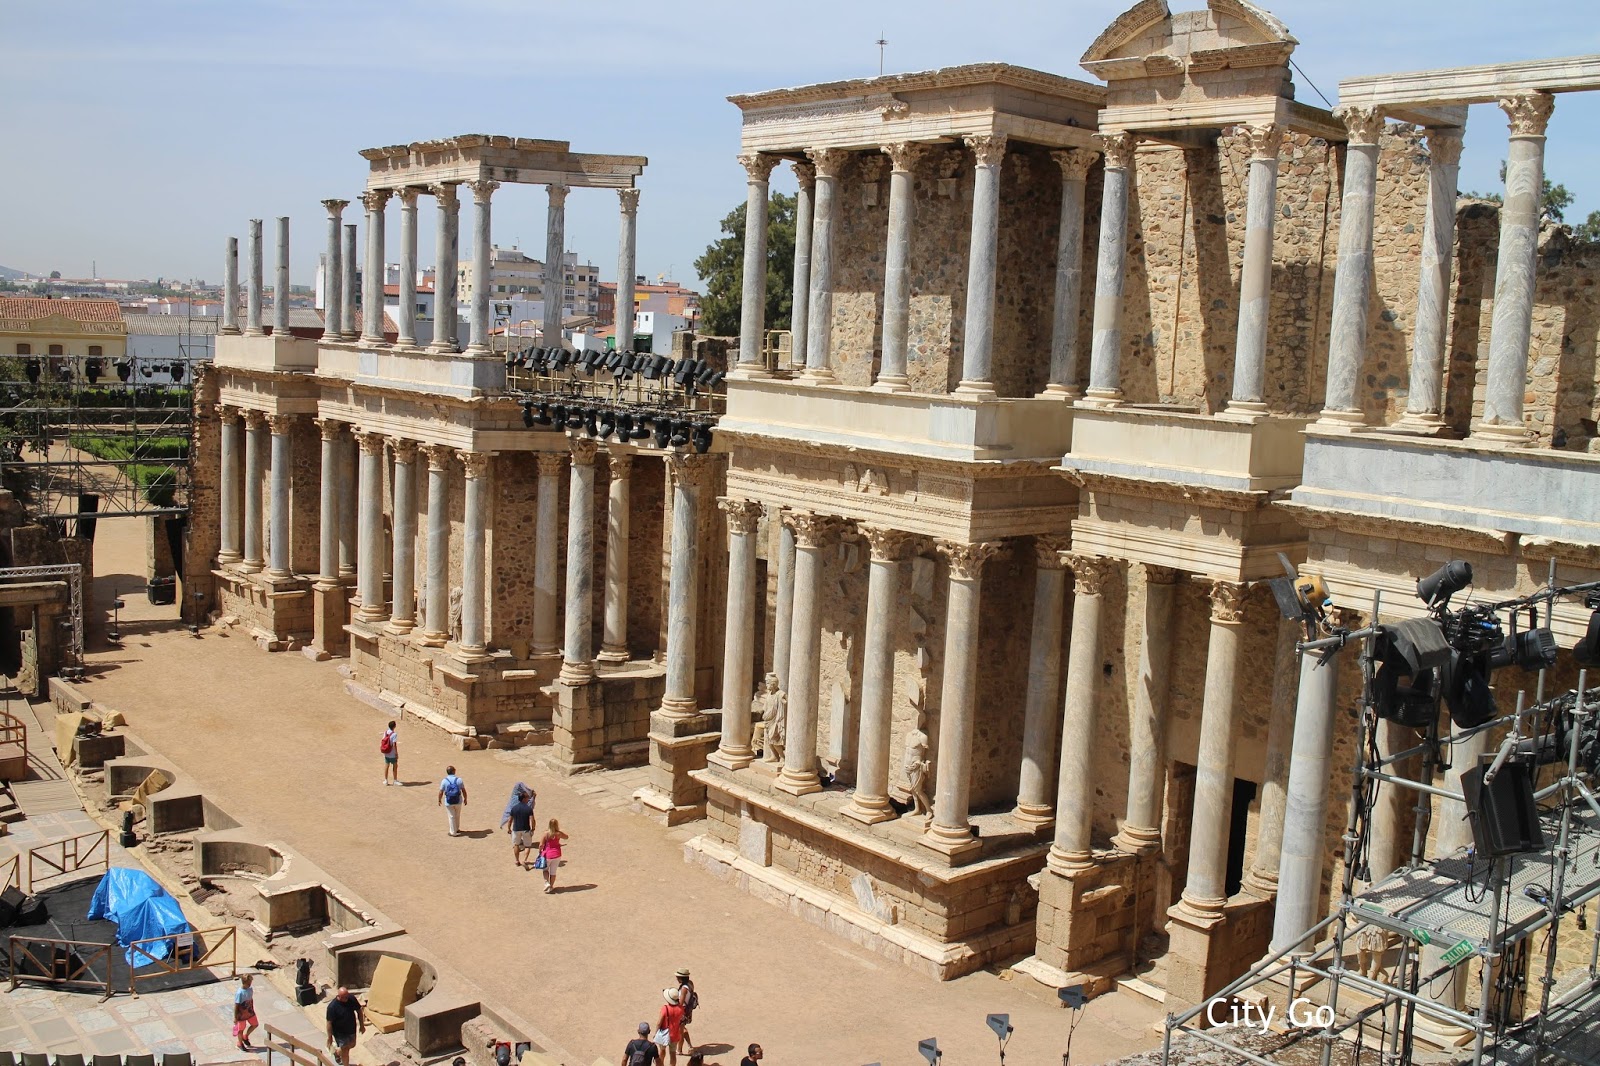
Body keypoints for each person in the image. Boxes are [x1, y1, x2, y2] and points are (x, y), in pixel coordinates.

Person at [325, 986, 366, 1066]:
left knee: (352, 1045)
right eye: (344, 997)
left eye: (347, 996)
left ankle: (337, 1052)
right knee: (345, 1051)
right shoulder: (332, 1007)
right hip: (340, 1033)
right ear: (339, 996)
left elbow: (359, 1011)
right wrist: (329, 1037)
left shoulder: (351, 999)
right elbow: (329, 1023)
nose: (347, 999)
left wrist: (362, 1025)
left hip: (351, 1029)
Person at [536, 818, 570, 893]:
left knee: (545, 870)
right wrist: (560, 832)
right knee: (553, 872)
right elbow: (566, 837)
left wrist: (539, 852)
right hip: (557, 854)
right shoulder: (559, 833)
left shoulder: (546, 834)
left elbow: (541, 845)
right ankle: (551, 887)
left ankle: (546, 883)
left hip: (548, 854)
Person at [656, 988, 686, 1066]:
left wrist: (656, 1032)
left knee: (662, 1051)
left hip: (664, 1034)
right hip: (675, 1034)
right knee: (673, 1053)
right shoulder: (680, 1009)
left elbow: (659, 1022)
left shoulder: (665, 1009)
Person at [507, 788, 535, 868]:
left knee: (516, 845)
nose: (528, 799)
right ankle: (525, 860)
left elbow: (510, 820)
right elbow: (532, 820)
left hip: (516, 829)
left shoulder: (514, 808)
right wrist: (533, 828)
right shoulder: (528, 809)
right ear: (523, 799)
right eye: (527, 797)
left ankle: (516, 860)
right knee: (527, 846)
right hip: (526, 829)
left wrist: (509, 828)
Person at [438, 765, 467, 837]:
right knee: (457, 815)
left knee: (451, 816)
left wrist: (439, 800)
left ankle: (453, 832)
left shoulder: (444, 781)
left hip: (448, 801)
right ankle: (457, 828)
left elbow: (441, 791)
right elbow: (463, 790)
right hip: (458, 800)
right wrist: (465, 798)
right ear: (454, 771)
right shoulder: (459, 780)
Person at [673, 968, 697, 1054]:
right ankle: (690, 1046)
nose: (676, 979)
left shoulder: (683, 989)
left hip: (682, 1011)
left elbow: (680, 1002)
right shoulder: (690, 984)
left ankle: (679, 1050)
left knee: (680, 1031)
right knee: (682, 1029)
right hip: (687, 1010)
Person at [233, 973, 259, 1050]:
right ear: (245, 982)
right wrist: (235, 1017)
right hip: (241, 1014)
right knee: (240, 1029)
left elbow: (251, 999)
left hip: (249, 1011)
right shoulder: (239, 993)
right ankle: (240, 1043)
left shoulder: (250, 989)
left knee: (255, 1024)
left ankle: (245, 1036)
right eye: (249, 982)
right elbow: (236, 1005)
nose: (250, 984)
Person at [380, 720, 399, 785]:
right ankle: (395, 780)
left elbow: (383, 740)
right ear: (394, 726)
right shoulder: (394, 734)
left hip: (386, 752)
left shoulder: (385, 732)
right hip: (392, 753)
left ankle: (386, 780)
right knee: (395, 766)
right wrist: (396, 753)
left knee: (386, 766)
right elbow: (394, 745)